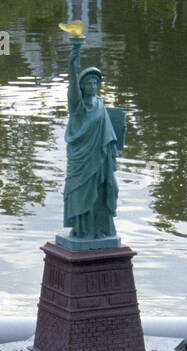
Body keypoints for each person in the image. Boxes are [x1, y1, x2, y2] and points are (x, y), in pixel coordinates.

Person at [62, 36, 124, 242]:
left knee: (102, 191)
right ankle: (82, 230)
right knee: (80, 192)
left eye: (95, 82)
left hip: (100, 157)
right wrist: (74, 58)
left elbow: (110, 132)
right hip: (81, 158)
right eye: (88, 82)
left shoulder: (100, 104)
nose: (92, 85)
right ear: (82, 86)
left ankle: (101, 229)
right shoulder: (77, 107)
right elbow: (72, 83)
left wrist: (111, 154)